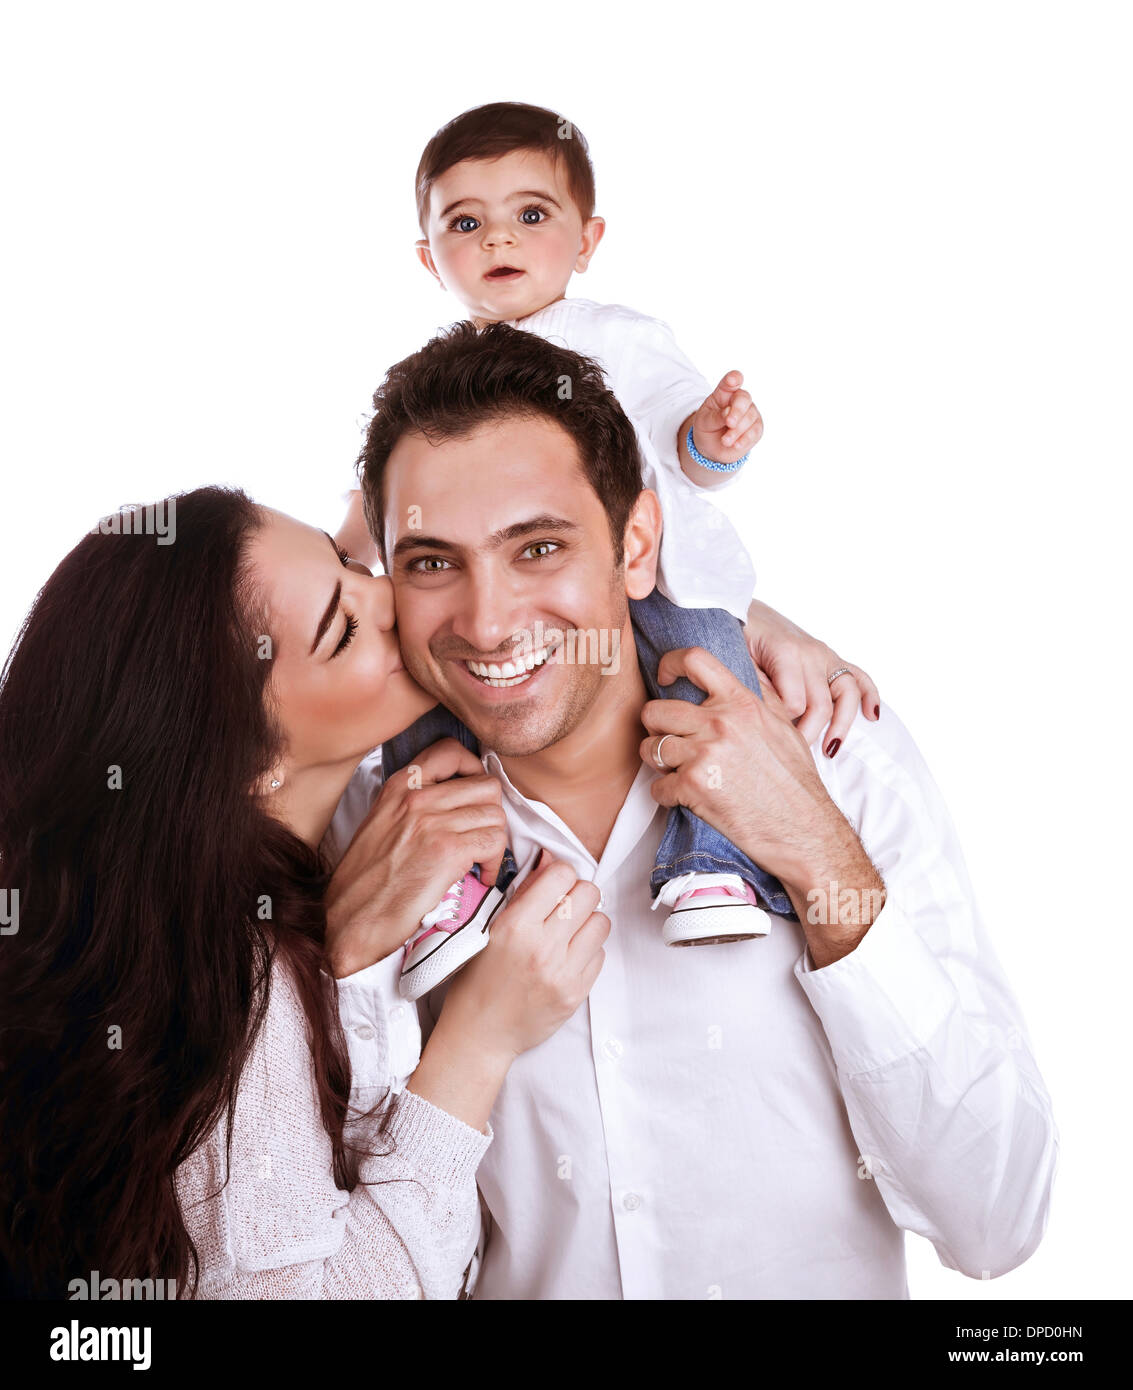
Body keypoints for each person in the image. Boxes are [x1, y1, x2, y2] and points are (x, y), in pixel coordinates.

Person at [347, 321, 1059, 1299]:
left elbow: (996, 1217)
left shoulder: (834, 755)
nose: (486, 620)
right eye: (431, 562)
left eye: (539, 546)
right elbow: (335, 1256)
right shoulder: (368, 832)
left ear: (637, 545)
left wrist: (816, 855)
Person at [0, 486, 608, 1299]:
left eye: (349, 561)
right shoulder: (226, 980)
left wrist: (728, 622)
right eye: (345, 629)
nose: (389, 595)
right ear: (251, 761)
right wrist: (481, 1039)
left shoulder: (270, 861)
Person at [336, 100, 881, 966]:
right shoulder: (436, 390)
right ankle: (461, 878)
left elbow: (683, 450)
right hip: (593, 599)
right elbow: (378, 512)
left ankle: (710, 859)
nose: (496, 242)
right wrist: (347, 566)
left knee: (709, 677)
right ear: (425, 256)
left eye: (529, 216)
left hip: (668, 579)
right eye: (465, 223)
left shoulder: (618, 342)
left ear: (587, 241)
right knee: (420, 690)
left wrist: (712, 436)